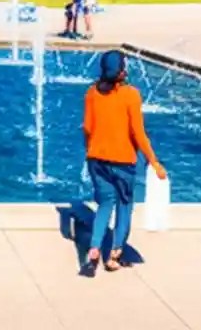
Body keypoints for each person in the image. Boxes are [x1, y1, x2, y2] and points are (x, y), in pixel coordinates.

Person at [81, 50, 166, 276]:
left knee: (104, 205)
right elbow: (138, 133)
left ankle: (93, 251)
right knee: (125, 206)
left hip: (96, 159)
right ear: (120, 71)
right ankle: (115, 255)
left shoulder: (91, 93)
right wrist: (154, 162)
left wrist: (90, 151)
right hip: (123, 161)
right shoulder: (131, 95)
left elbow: (87, 129)